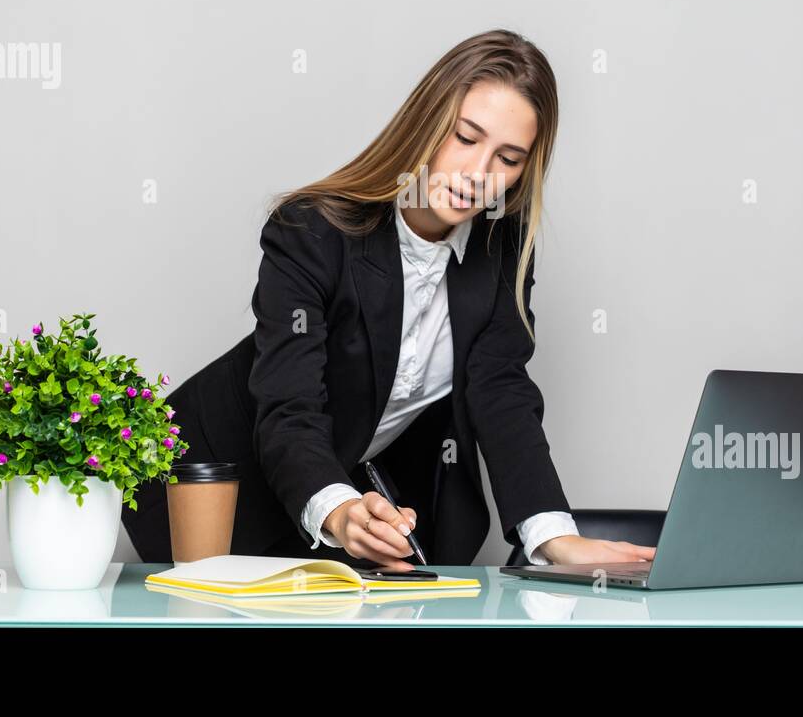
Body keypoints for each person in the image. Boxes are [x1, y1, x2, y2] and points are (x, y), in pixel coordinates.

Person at [121, 29, 656, 570]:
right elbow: (290, 406)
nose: (477, 174)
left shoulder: (501, 246)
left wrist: (551, 535)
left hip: (345, 502)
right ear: (428, 121)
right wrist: (340, 509)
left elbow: (502, 390)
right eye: (465, 138)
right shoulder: (311, 231)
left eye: (508, 157)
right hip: (209, 482)